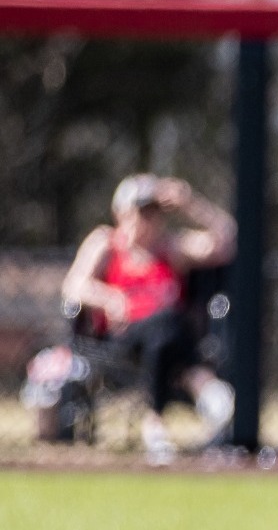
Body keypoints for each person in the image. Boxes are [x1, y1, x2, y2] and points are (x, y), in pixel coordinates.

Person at [60, 174, 237, 465]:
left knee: (166, 326)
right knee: (166, 325)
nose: (149, 220)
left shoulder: (172, 249)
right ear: (121, 213)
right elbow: (73, 285)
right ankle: (201, 384)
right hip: (122, 341)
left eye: (154, 213)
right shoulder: (106, 243)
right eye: (142, 212)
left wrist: (189, 203)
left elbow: (229, 240)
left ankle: (154, 424)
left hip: (171, 340)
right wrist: (109, 297)